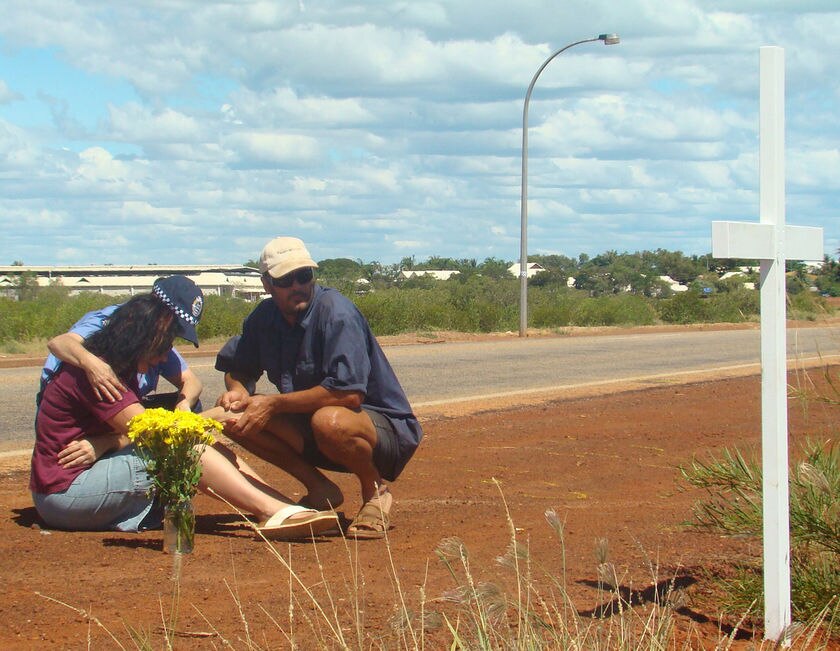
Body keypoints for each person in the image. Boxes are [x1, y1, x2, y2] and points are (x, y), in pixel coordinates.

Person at [30, 291, 338, 539]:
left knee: (195, 439)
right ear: (140, 337)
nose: (165, 356)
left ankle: (277, 506)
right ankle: (271, 510)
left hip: (90, 473)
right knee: (184, 448)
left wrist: (109, 441)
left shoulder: (118, 366)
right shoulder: (98, 374)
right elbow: (153, 430)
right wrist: (217, 415)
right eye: (163, 346)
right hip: (66, 493)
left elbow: (138, 427)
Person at [217, 236, 423, 539]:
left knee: (329, 420)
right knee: (232, 418)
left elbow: (349, 393)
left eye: (305, 275)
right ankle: (320, 489)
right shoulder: (263, 318)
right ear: (267, 285)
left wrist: (273, 404)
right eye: (286, 279)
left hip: (379, 428)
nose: (298, 285)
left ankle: (375, 492)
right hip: (315, 426)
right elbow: (240, 369)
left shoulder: (336, 313)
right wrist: (238, 390)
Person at [39, 276, 205, 412]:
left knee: (191, 406)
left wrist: (183, 406)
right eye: (174, 326)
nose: (173, 334)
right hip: (82, 406)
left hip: (123, 402)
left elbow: (192, 382)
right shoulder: (115, 321)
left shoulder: (157, 344)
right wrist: (95, 366)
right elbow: (59, 343)